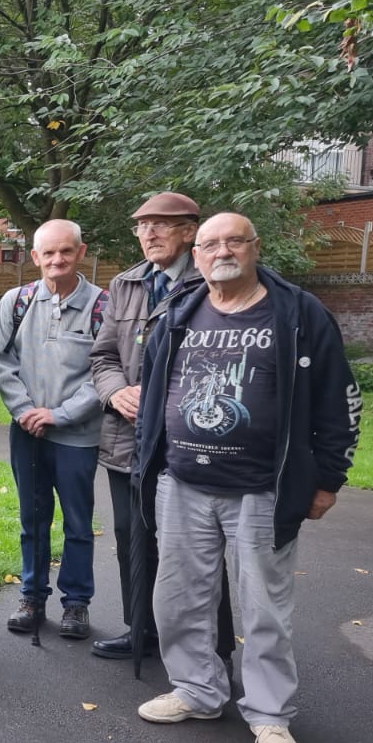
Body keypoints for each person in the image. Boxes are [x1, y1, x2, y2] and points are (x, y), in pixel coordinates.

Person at [134, 214, 360, 743]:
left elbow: (339, 400)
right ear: (196, 253)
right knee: (180, 597)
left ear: (255, 248)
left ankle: (269, 713)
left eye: (234, 241)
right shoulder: (180, 310)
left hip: (261, 488)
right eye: (210, 244)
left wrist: (328, 479)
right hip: (182, 482)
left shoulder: (298, 313)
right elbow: (154, 390)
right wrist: (150, 460)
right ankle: (197, 690)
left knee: (264, 606)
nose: (222, 251)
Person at [89, 192, 234, 665]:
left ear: (190, 232)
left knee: (194, 544)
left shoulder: (209, 282)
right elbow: (103, 355)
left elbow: (221, 362)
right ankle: (141, 630)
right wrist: (115, 392)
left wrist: (161, 402)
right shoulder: (126, 283)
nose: (148, 233)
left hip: (184, 440)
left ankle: (212, 646)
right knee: (132, 536)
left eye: (161, 224)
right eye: (142, 225)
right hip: (126, 438)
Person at [0, 219, 108, 639]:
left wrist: (59, 415)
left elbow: (105, 372)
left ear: (81, 253)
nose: (57, 259)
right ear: (35, 257)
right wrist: (26, 411)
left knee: (77, 523)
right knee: (33, 519)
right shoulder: (16, 302)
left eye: (66, 251)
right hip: (27, 433)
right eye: (49, 252)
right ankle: (31, 596)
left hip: (77, 436)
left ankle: (76, 603)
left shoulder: (103, 306)